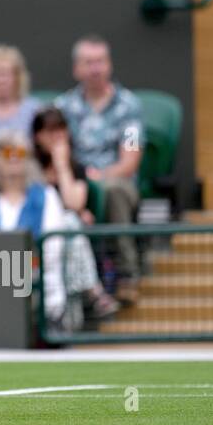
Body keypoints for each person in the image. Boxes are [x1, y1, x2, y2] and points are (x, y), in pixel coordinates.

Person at [0, 132, 113, 332]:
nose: (15, 158)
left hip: (40, 283)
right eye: (7, 152)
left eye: (21, 152)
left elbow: (52, 249)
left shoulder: (47, 195)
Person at [53, 35, 144, 302]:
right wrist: (79, 178)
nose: (95, 68)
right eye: (88, 62)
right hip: (74, 180)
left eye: (100, 61)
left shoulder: (129, 106)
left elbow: (130, 160)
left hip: (116, 181)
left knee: (112, 190)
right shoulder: (63, 107)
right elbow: (58, 150)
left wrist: (99, 177)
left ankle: (128, 275)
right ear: (76, 69)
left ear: (109, 65)